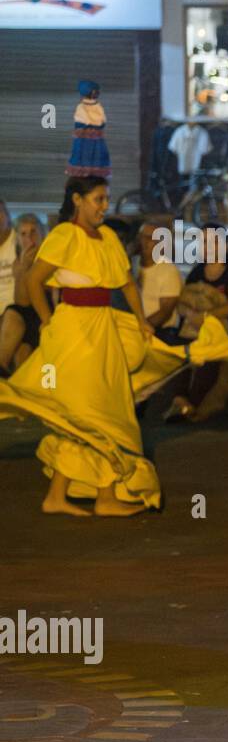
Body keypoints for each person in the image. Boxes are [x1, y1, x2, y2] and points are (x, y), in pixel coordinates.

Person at [0, 176, 159, 516]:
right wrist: (46, 319)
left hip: (103, 328)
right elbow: (34, 280)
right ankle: (98, 496)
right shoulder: (63, 236)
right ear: (78, 200)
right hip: (74, 329)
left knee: (102, 412)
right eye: (98, 199)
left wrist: (142, 319)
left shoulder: (109, 239)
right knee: (92, 412)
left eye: (106, 199)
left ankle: (70, 496)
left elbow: (128, 284)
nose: (104, 206)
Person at [164, 222, 228, 423]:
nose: (209, 246)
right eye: (204, 241)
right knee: (177, 350)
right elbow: (184, 302)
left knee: (209, 355)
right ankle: (182, 401)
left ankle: (191, 404)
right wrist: (191, 315)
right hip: (200, 329)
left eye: (214, 241)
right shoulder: (197, 272)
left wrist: (205, 317)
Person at [0, 213, 46, 375]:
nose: (30, 238)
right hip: (26, 317)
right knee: (13, 313)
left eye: (34, 232)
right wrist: (24, 269)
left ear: (42, 234)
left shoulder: (50, 260)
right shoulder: (18, 263)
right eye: (24, 234)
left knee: (24, 350)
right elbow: (22, 302)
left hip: (45, 315)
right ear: (18, 239)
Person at [136, 219, 183, 338]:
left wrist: (139, 329)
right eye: (143, 237)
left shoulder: (168, 271)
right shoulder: (131, 265)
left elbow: (165, 312)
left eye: (151, 238)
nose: (145, 241)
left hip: (157, 332)